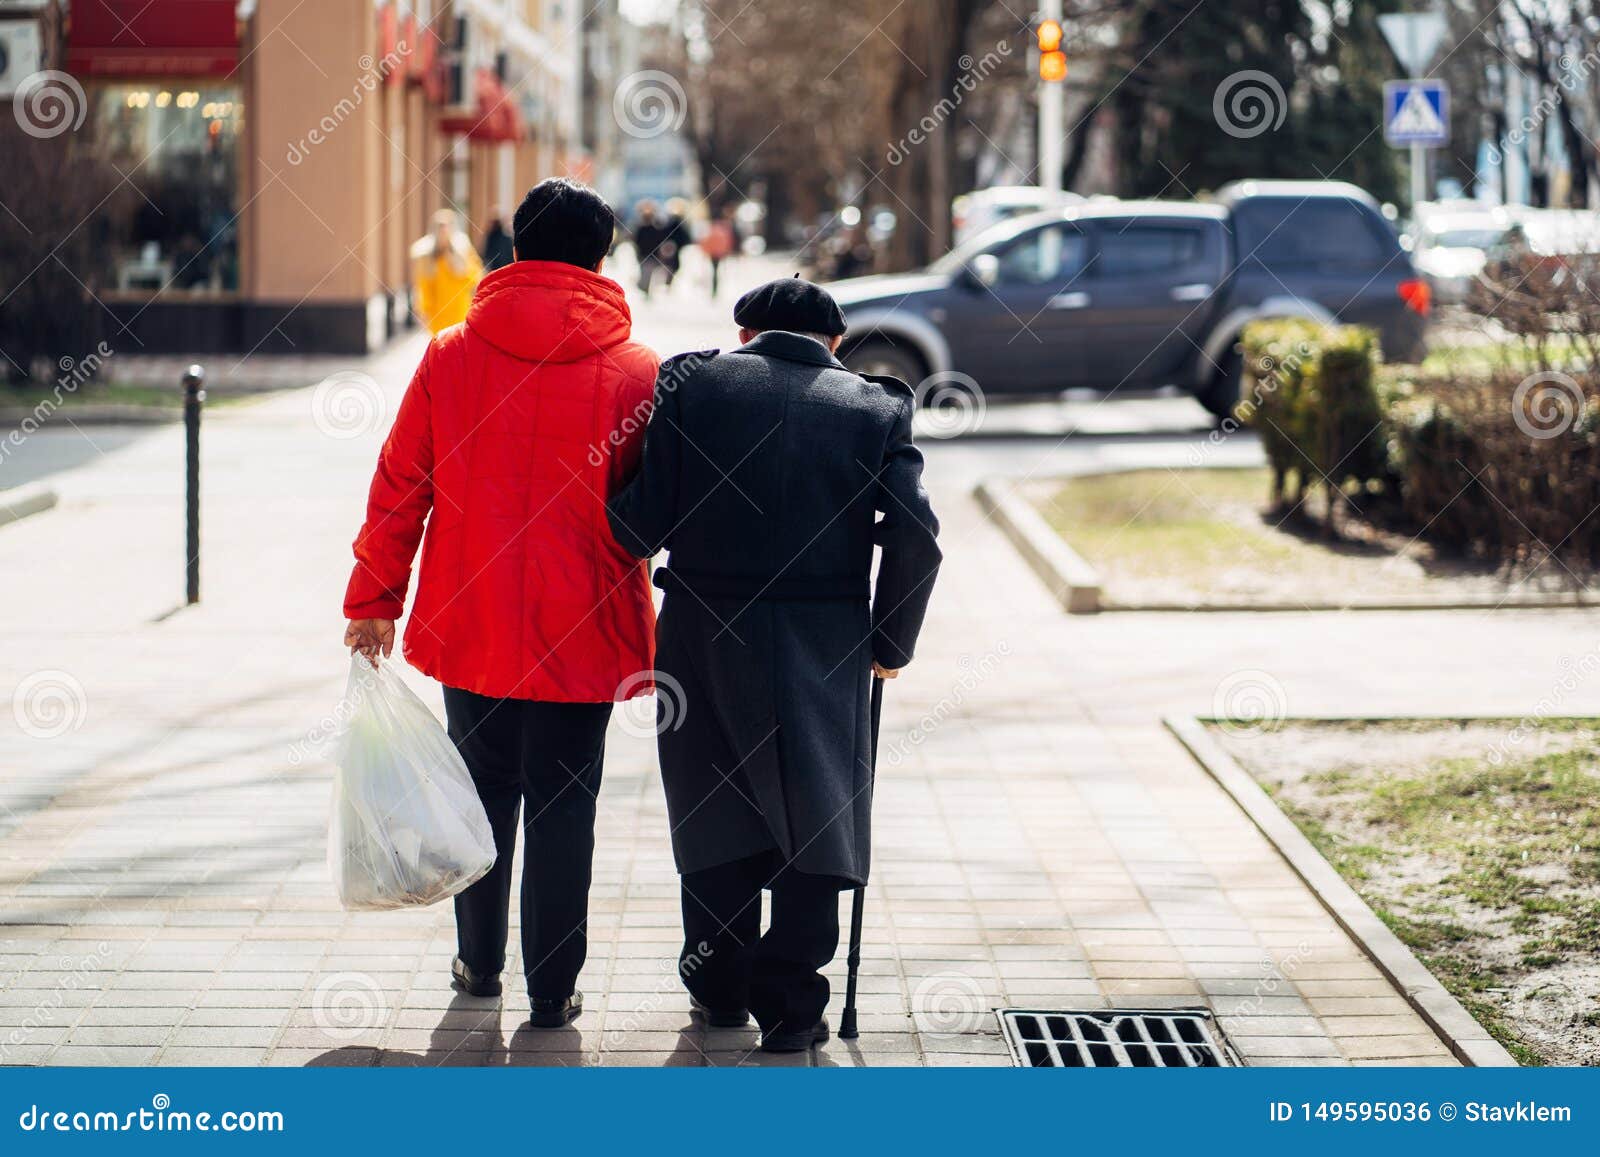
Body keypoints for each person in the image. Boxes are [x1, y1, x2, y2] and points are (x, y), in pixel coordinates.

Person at [345, 178, 660, 1028]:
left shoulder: (450, 355)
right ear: (602, 259)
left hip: (471, 623)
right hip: (585, 629)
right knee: (567, 805)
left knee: (478, 794)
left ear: (515, 249)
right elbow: (660, 511)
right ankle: (553, 990)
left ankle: (477, 965)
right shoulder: (639, 376)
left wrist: (375, 596)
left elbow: (399, 484)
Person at [607, 278, 942, 1052]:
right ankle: (792, 1005)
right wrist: (890, 642)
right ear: (833, 344)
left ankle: (719, 986)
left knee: (712, 800)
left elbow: (638, 524)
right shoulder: (874, 406)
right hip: (823, 638)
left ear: (745, 332)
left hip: (701, 631)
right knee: (816, 810)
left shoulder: (694, 384)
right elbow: (916, 533)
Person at [410, 209, 483, 334]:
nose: (444, 231)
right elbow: (423, 286)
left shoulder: (464, 251)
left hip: (460, 312)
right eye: (440, 227)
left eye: (447, 226)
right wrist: (422, 310)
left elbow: (476, 277)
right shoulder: (427, 257)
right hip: (437, 316)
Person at [632, 200, 667, 298]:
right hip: (644, 254)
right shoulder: (640, 227)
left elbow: (660, 239)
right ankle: (643, 287)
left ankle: (645, 288)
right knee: (645, 273)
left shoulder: (655, 227)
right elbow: (636, 241)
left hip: (652, 254)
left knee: (648, 273)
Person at [699, 209, 737, 299]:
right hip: (718, 254)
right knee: (715, 272)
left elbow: (705, 242)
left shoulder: (711, 230)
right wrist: (726, 251)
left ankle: (714, 290)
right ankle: (714, 290)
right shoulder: (723, 230)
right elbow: (727, 242)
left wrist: (705, 252)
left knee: (714, 272)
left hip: (713, 253)